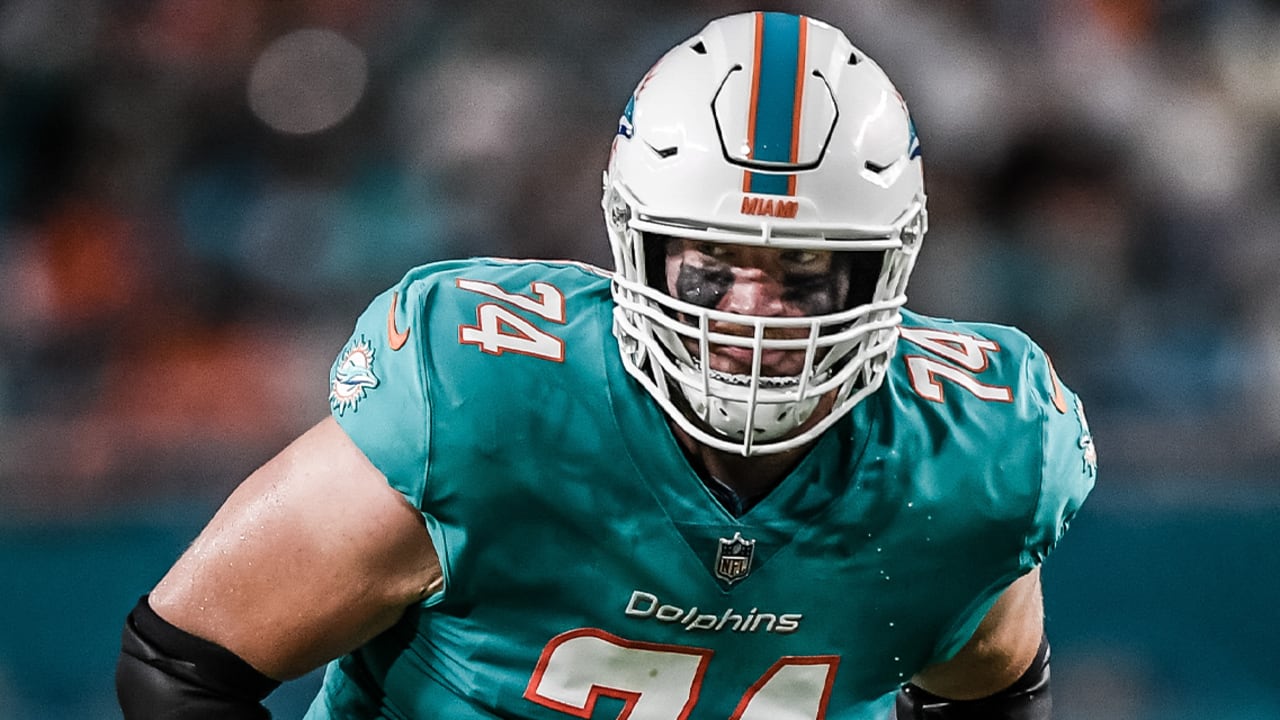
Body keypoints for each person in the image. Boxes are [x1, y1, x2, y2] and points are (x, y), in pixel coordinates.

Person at [115, 10, 1095, 720]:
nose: (754, 312)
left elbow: (991, 694)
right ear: (635, 246)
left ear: (886, 267)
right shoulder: (488, 402)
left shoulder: (966, 458)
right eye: (711, 264)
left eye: (805, 271)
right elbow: (184, 666)